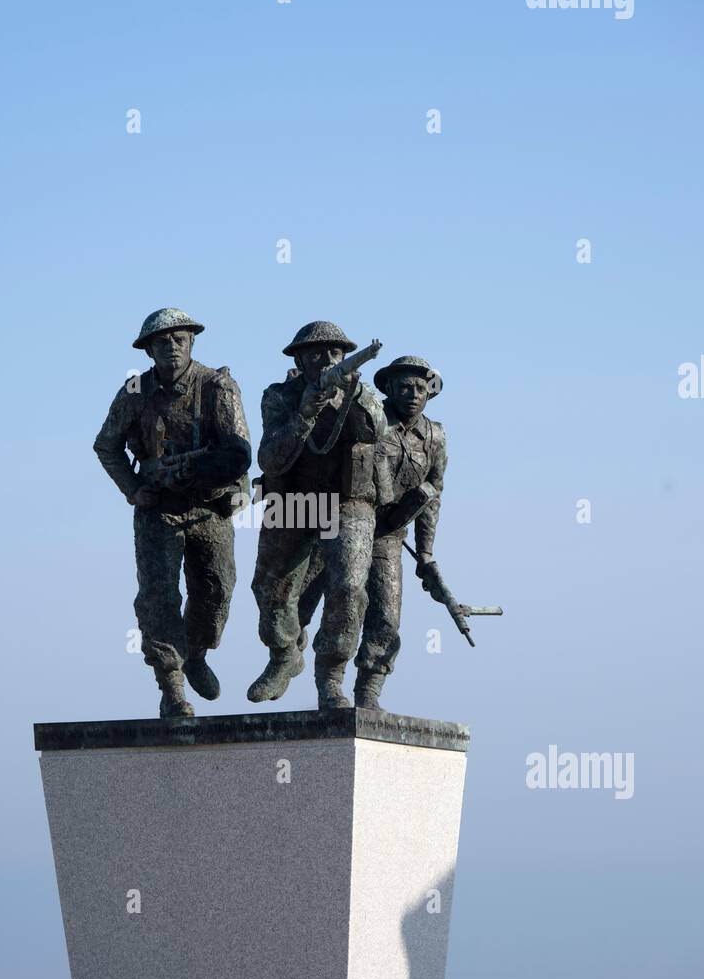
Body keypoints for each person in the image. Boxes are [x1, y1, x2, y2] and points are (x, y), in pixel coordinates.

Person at [94, 307, 251, 717]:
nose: (171, 347)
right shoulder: (133, 392)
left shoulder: (218, 386)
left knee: (217, 588)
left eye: (179, 339)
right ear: (148, 350)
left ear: (192, 341)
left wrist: (235, 491)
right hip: (158, 510)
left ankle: (196, 653)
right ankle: (172, 685)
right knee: (158, 598)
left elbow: (239, 451)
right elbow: (106, 445)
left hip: (208, 507)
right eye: (161, 342)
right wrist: (132, 489)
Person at [247, 321, 391, 710]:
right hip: (293, 499)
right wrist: (304, 416)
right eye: (315, 354)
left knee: (348, 588)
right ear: (299, 359)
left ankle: (330, 676)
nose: (327, 360)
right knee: (269, 586)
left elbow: (377, 430)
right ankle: (284, 654)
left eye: (335, 353)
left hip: (348, 503)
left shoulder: (363, 393)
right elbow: (268, 458)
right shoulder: (278, 397)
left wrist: (354, 393)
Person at [296, 354, 446, 710]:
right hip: (344, 522)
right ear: (390, 389)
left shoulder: (435, 437)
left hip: (388, 537)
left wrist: (425, 553)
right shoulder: (369, 419)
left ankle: (369, 693)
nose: (413, 394)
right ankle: (329, 681)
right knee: (330, 603)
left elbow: (434, 494)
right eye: (405, 387)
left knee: (386, 617)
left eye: (421, 388)